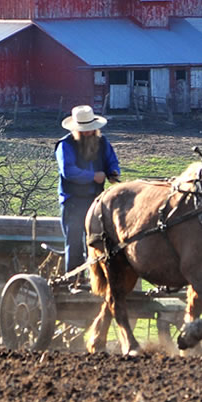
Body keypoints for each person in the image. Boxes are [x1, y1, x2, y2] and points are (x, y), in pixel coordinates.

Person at [56, 105, 121, 286]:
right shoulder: (65, 145)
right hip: (73, 202)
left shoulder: (102, 142)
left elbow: (112, 161)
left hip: (96, 201)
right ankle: (74, 281)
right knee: (75, 243)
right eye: (84, 130)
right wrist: (93, 176)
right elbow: (69, 172)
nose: (88, 133)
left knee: (99, 241)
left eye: (90, 129)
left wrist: (113, 172)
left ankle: (99, 280)